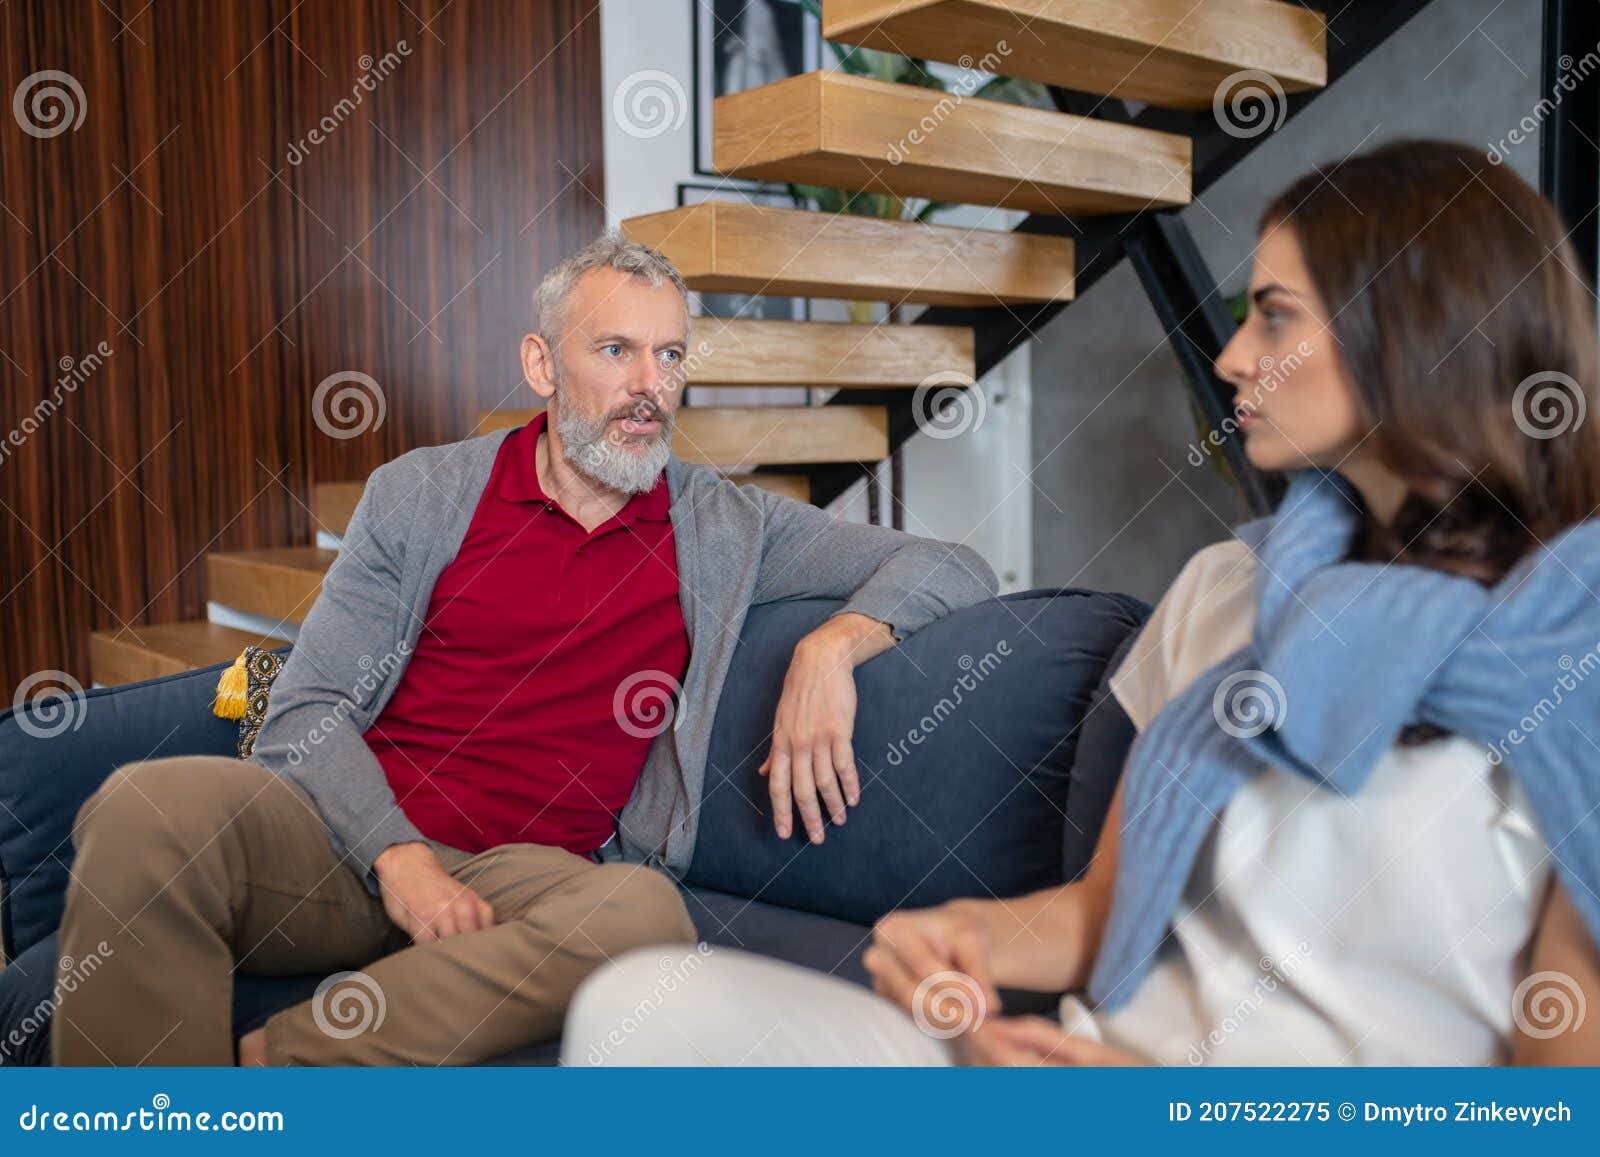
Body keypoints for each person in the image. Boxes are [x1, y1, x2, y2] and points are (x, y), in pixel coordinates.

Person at [563, 139, 1600, 1067]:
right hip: (1072, 1074)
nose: (1233, 356)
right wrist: (959, 939)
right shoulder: (1228, 590)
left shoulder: (1571, 668)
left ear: (1409, 334)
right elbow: (1102, 910)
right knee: (637, 1007)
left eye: (1276, 315)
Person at [51, 234, 997, 1066]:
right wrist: (399, 860)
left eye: (670, 355)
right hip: (345, 846)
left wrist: (833, 646)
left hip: (527, 877)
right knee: (145, 806)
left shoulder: (725, 526)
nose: (649, 385)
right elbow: (306, 709)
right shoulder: (422, 494)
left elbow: (954, 565)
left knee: (641, 917)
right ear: (541, 364)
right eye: (616, 350)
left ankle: (278, 1067)